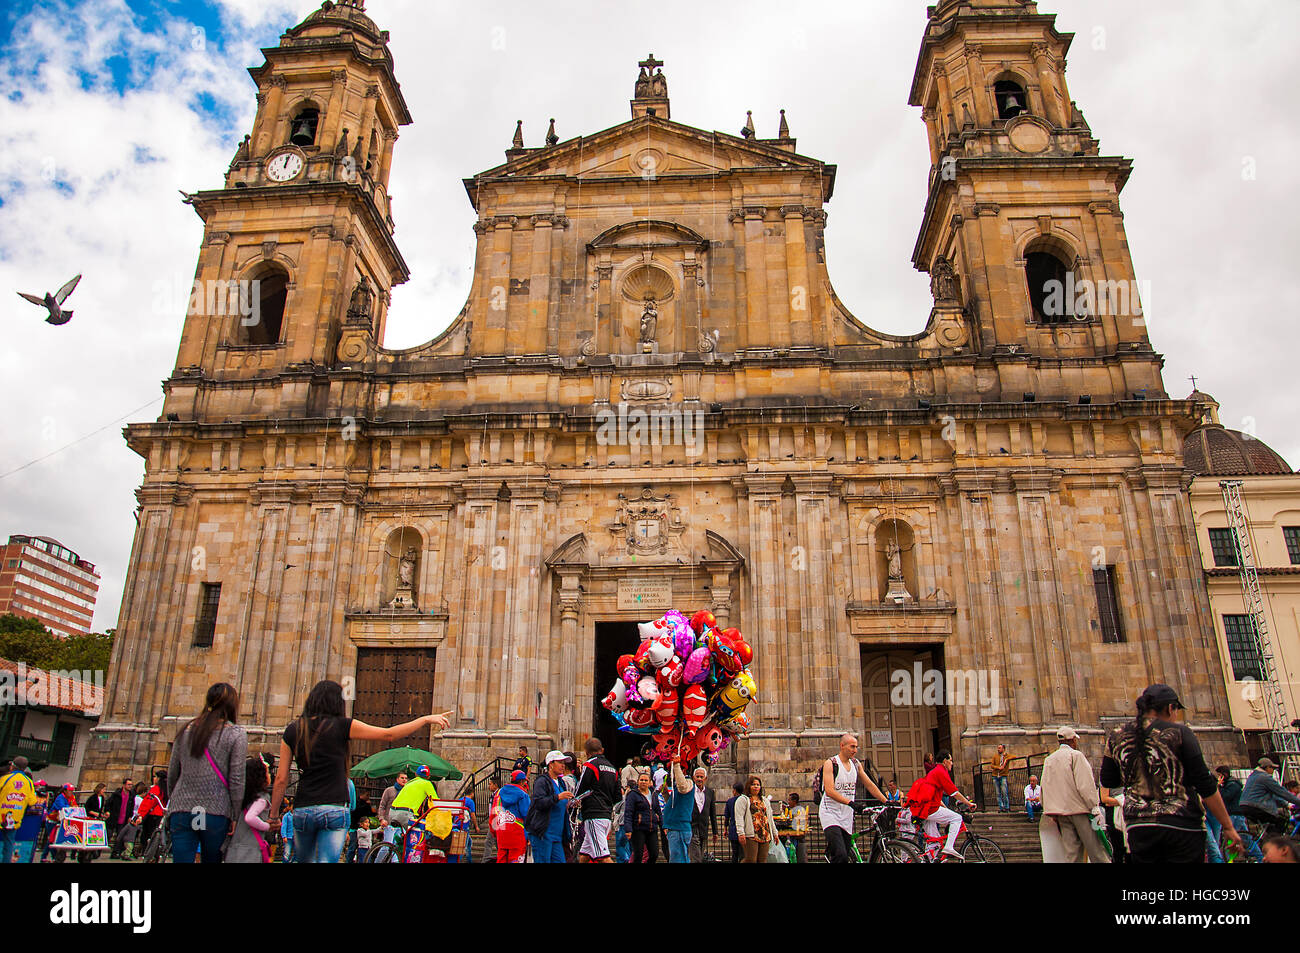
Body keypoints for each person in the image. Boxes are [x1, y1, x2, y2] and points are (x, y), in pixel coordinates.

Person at [268, 680, 451, 863]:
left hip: (304, 808)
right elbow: (389, 734)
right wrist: (425, 719)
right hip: (334, 807)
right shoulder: (342, 725)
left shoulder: (293, 730)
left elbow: (281, 779)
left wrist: (274, 815)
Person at [1100, 683, 1242, 863]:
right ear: (1170, 708)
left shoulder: (1116, 736)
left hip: (1139, 826)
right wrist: (1228, 826)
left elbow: (1108, 780)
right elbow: (1205, 784)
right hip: (1181, 824)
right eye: (1176, 711)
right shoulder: (1179, 733)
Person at [165, 682, 247, 863]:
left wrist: (175, 800)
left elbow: (173, 773)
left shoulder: (186, 730)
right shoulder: (235, 734)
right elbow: (237, 779)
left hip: (183, 809)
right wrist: (235, 814)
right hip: (214, 811)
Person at [1040, 727, 1109, 864]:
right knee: (1096, 849)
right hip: (1081, 811)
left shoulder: (1049, 759)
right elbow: (1085, 784)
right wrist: (1094, 806)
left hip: (1061, 813)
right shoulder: (1075, 756)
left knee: (1072, 853)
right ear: (1072, 740)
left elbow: (1045, 786)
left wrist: (1048, 809)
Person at [820, 733, 889, 863]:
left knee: (844, 855)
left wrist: (886, 801)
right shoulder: (831, 763)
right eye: (852, 747)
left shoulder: (856, 764)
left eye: (856, 747)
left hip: (846, 815)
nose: (855, 750)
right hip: (830, 813)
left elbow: (869, 784)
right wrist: (851, 803)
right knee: (840, 854)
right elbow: (829, 791)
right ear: (842, 746)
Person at [906, 750, 976, 861]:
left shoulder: (934, 772)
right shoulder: (940, 771)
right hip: (929, 809)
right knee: (957, 818)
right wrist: (968, 803)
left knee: (935, 843)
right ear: (945, 761)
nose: (952, 763)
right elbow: (953, 792)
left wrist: (945, 808)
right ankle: (949, 847)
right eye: (951, 760)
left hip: (924, 809)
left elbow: (935, 795)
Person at [575, 737, 621, 863]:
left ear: (586, 752)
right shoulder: (613, 769)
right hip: (606, 815)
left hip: (593, 815)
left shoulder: (590, 764)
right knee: (584, 854)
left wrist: (573, 801)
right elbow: (618, 796)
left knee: (603, 857)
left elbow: (580, 789)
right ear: (602, 750)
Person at [526, 750, 574, 863]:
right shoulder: (542, 781)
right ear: (551, 764)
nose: (563, 765)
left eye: (564, 762)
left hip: (557, 835)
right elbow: (538, 802)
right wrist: (557, 797)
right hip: (543, 833)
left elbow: (561, 803)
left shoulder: (561, 782)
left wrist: (570, 803)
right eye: (560, 762)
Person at [226, 754, 272, 863]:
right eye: (267, 772)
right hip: (250, 851)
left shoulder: (243, 798)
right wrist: (267, 826)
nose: (269, 775)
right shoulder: (262, 798)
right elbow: (250, 818)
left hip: (234, 850)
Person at [1216, 765, 1263, 862]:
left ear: (1224, 775)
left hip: (1235, 815)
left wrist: (1219, 786)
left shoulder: (1233, 785)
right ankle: (1259, 857)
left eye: (1220, 775)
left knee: (1231, 838)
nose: (1218, 778)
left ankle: (1229, 860)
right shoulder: (1228, 785)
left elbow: (1225, 797)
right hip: (1234, 815)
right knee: (1246, 838)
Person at [0, 756, 42, 864]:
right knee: (9, 844)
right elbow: (33, 801)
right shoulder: (28, 782)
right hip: (15, 819)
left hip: (1, 815)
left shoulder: (5, 778)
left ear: (13, 766)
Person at [1240, 757, 1300, 827]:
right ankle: (1275, 837)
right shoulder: (1265, 777)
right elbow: (1282, 792)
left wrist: (1286, 805)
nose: (1273, 771)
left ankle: (1266, 836)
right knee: (1280, 822)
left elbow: (1273, 795)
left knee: (1270, 825)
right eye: (1273, 768)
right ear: (1267, 767)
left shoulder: (1252, 776)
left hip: (1244, 806)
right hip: (1257, 806)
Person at [490, 770, 530, 863]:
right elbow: (527, 816)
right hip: (517, 834)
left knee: (501, 860)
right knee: (516, 860)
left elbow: (493, 815)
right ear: (522, 781)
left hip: (501, 833)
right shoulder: (523, 795)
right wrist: (529, 835)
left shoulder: (498, 794)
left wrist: (494, 832)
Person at [661, 759, 696, 863]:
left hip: (679, 828)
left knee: (678, 859)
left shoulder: (688, 782)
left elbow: (683, 787)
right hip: (675, 828)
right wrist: (666, 794)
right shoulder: (677, 788)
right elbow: (674, 805)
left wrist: (676, 765)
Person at [734, 774, 774, 863]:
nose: (756, 787)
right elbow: (739, 817)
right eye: (753, 784)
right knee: (751, 859)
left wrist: (774, 833)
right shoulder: (743, 800)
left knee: (762, 860)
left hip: (764, 833)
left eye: (758, 785)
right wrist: (741, 833)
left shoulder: (765, 800)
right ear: (749, 786)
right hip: (751, 834)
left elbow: (770, 818)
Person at [624, 768, 660, 863]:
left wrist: (663, 825)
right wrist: (628, 829)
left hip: (652, 828)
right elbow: (628, 812)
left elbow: (658, 810)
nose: (643, 782)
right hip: (638, 828)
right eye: (641, 780)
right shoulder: (633, 794)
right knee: (638, 855)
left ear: (650, 782)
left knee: (654, 854)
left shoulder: (653, 794)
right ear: (638, 782)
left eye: (645, 780)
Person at [689, 767, 717, 863]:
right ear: (693, 778)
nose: (699, 779)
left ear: (705, 779)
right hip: (692, 827)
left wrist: (715, 832)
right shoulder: (689, 791)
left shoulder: (710, 792)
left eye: (701, 777)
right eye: (697, 777)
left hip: (703, 828)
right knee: (696, 856)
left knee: (700, 854)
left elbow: (712, 812)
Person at [104, 776, 134, 857]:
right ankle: (98, 851)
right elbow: (108, 803)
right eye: (128, 784)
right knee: (108, 834)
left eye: (131, 785)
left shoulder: (131, 795)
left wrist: (130, 816)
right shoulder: (116, 794)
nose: (130, 786)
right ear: (124, 785)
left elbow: (131, 807)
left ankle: (115, 852)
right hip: (114, 817)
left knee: (120, 836)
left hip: (123, 819)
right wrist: (107, 811)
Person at [378, 771, 408, 845]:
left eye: (406, 778)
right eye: (402, 778)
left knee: (396, 846)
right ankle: (380, 857)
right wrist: (382, 819)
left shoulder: (407, 792)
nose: (404, 780)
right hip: (389, 822)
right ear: (397, 779)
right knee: (387, 844)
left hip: (401, 823)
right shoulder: (389, 790)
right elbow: (382, 806)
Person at [785, 792, 809, 864]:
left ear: (794, 801)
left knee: (800, 857)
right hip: (796, 835)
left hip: (798, 835)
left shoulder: (798, 810)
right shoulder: (793, 809)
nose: (788, 802)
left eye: (789, 800)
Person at [724, 781, 744, 863]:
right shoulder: (745, 800)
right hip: (743, 830)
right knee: (743, 854)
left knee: (735, 853)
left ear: (735, 790)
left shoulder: (730, 801)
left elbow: (726, 817)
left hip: (733, 829)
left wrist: (725, 829)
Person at [990, 744, 1012, 813]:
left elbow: (1014, 756)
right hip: (995, 776)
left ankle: (1007, 807)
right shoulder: (995, 756)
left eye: (1000, 748)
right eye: (998, 748)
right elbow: (992, 765)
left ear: (1003, 749)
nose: (998, 749)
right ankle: (1001, 807)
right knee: (998, 793)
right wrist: (998, 767)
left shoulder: (1006, 756)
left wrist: (1006, 760)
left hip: (1003, 776)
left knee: (1004, 792)